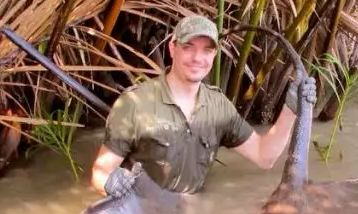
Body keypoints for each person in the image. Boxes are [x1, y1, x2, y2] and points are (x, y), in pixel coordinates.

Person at [90, 15, 316, 197]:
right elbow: (100, 174)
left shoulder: (218, 106)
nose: (198, 57)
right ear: (172, 48)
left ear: (214, 54)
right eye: (188, 47)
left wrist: (291, 108)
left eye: (207, 50)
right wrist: (110, 184)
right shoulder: (135, 103)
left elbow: (264, 156)